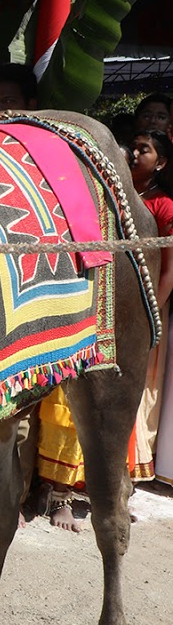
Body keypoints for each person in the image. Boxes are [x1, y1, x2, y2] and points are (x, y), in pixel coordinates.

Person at [128, 131, 173, 482]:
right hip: (117, 303)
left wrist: (151, 312)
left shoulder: (164, 205)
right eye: (134, 146)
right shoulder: (120, 194)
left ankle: (131, 466)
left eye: (144, 150)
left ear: (160, 163)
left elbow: (171, 268)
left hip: (145, 307)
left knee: (141, 385)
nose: (134, 153)